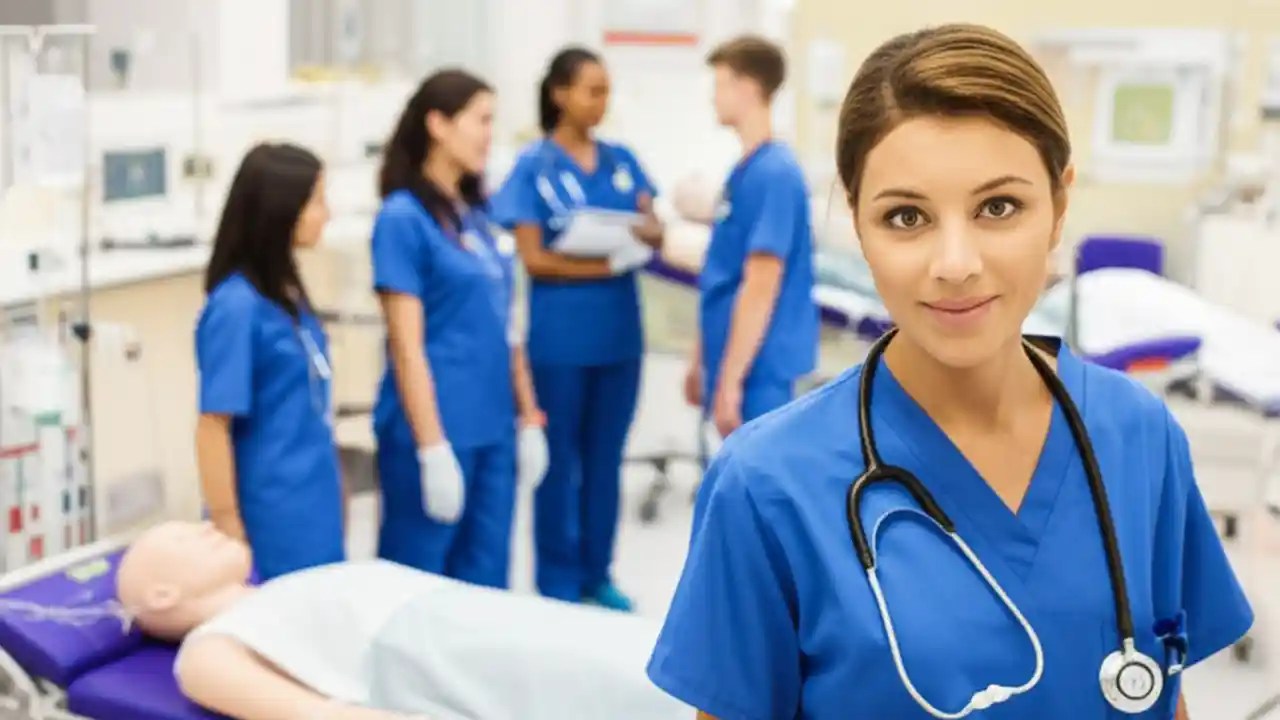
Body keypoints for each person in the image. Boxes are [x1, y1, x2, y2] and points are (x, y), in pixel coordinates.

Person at [647, 24, 1253, 720]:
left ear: (1059, 205)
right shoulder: (767, 483)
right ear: (857, 223)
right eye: (906, 216)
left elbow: (1162, 690)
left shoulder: (1138, 435)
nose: (956, 263)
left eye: (999, 207)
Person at [109, 520, 691, 720]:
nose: (205, 527)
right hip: (428, 650)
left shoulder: (272, 592)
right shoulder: (207, 650)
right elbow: (318, 715)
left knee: (634, 647)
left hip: (455, 612)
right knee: (630, 682)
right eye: (184, 536)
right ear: (160, 594)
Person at [490, 47, 662, 612]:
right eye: (591, 90)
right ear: (560, 93)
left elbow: (651, 227)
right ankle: (557, 582)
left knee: (605, 460)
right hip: (559, 344)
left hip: (619, 339)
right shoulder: (533, 167)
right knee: (557, 463)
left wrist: (651, 230)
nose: (601, 102)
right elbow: (534, 258)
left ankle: (597, 573)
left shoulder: (621, 160)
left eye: (606, 91)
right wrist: (606, 263)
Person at [371, 69, 548, 590]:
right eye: (482, 120)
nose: (490, 134)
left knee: (486, 586)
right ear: (438, 125)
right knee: (417, 588)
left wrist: (529, 416)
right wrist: (431, 447)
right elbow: (406, 346)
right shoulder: (403, 219)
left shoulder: (475, 214)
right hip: (437, 429)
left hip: (492, 428)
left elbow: (507, 325)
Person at [195, 142, 344, 582]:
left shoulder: (284, 294)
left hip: (313, 505)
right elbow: (212, 426)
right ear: (281, 211)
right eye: (317, 201)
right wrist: (228, 529)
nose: (327, 214)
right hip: (269, 517)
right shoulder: (236, 308)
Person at [685, 36, 818, 440]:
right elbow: (720, 273)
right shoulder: (743, 172)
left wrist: (730, 380)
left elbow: (761, 283)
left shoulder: (774, 174)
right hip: (733, 361)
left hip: (759, 373)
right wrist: (701, 359)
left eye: (720, 84)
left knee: (760, 494)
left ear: (747, 88)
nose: (713, 98)